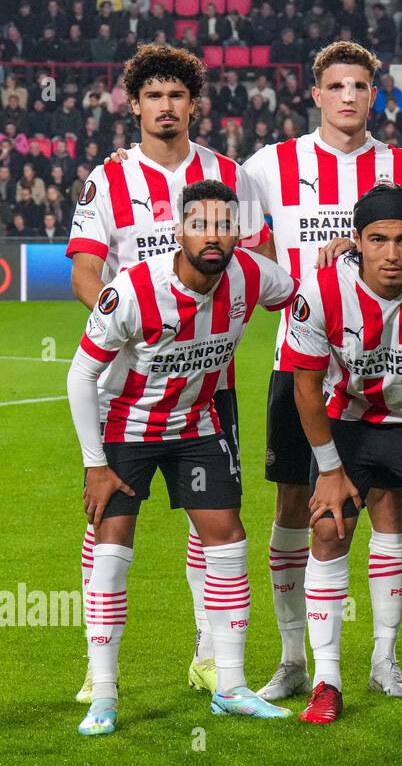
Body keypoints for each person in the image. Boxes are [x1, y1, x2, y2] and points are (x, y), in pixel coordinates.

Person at [241, 40, 402, 702]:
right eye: (336, 86)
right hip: (308, 365)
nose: (348, 97)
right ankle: (297, 659)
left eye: (360, 86)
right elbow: (213, 213)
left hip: (397, 371)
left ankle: (386, 661)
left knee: (389, 514)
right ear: (315, 94)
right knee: (301, 506)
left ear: (375, 95)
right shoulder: (268, 166)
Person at [67, 44, 263, 704]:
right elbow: (86, 270)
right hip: (125, 381)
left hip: (211, 385)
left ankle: (211, 658)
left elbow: (254, 262)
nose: (166, 106)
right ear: (134, 104)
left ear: (194, 103)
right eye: (154, 95)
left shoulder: (227, 174)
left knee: (208, 520)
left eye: (177, 95)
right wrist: (132, 319)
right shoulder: (109, 179)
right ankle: (100, 670)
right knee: (109, 522)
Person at [66, 179, 297, 735]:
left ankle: (233, 686)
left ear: (237, 232)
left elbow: (298, 297)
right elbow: (81, 374)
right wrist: (95, 464)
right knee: (112, 548)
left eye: (224, 225)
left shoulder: (251, 274)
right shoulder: (134, 289)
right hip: (126, 424)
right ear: (178, 231)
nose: (213, 237)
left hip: (198, 421)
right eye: (201, 225)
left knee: (228, 537)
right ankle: (104, 692)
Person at [284, 183, 402, 725]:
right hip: (348, 423)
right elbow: (305, 387)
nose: (391, 254)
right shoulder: (321, 290)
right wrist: (328, 470)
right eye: (378, 240)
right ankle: (326, 681)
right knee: (327, 527)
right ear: (356, 242)